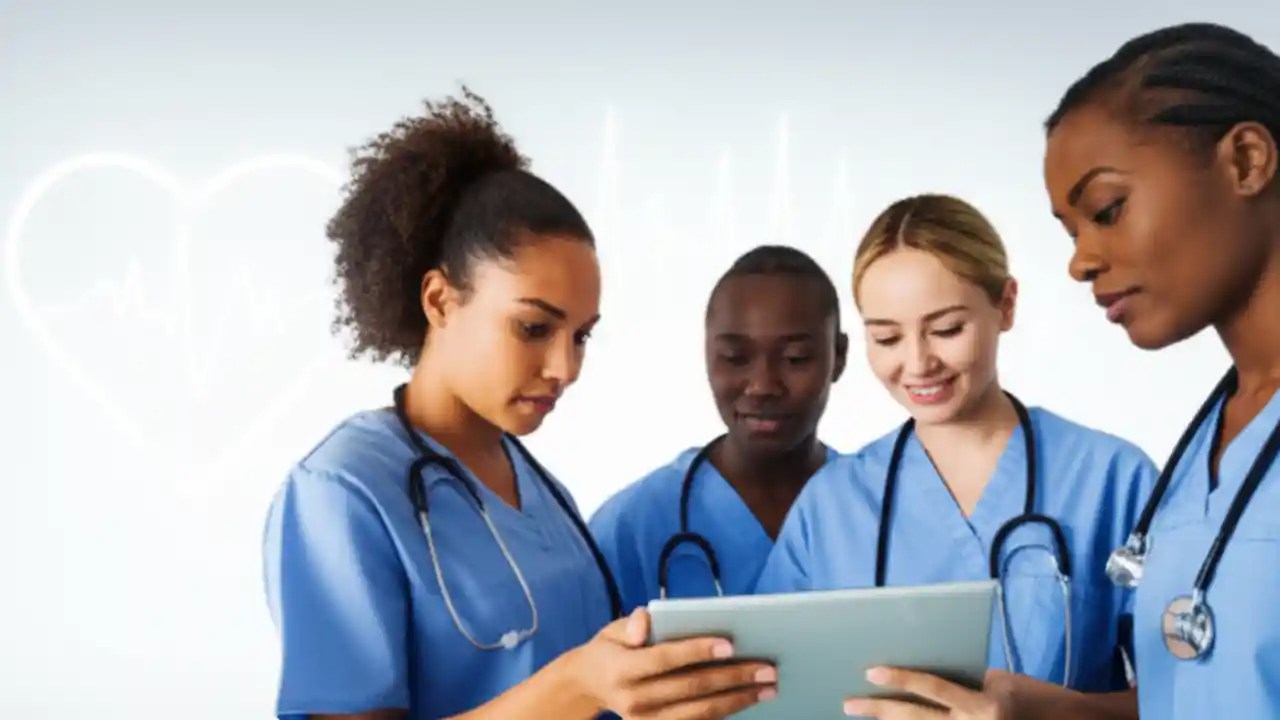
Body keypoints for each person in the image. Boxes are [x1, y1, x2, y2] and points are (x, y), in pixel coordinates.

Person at [260, 89, 777, 720]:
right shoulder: (342, 493)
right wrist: (577, 687)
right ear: (441, 301)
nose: (566, 368)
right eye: (534, 328)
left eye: (581, 336)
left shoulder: (544, 495)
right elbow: (570, 690)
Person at [753, 193, 1160, 718]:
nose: (918, 363)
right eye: (887, 337)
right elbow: (772, 697)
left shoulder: (1111, 480)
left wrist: (1050, 713)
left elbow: (1197, 696)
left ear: (1006, 305)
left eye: (946, 330)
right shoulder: (832, 506)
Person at [1036, 21, 1280, 720]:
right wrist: (1049, 712)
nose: (1080, 260)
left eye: (1107, 210)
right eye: (1071, 231)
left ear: (1246, 161)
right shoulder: (1212, 441)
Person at [589, 245, 848, 612]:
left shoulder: (873, 508)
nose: (762, 385)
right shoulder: (632, 525)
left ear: (838, 357)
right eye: (735, 358)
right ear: (707, 357)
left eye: (795, 359)